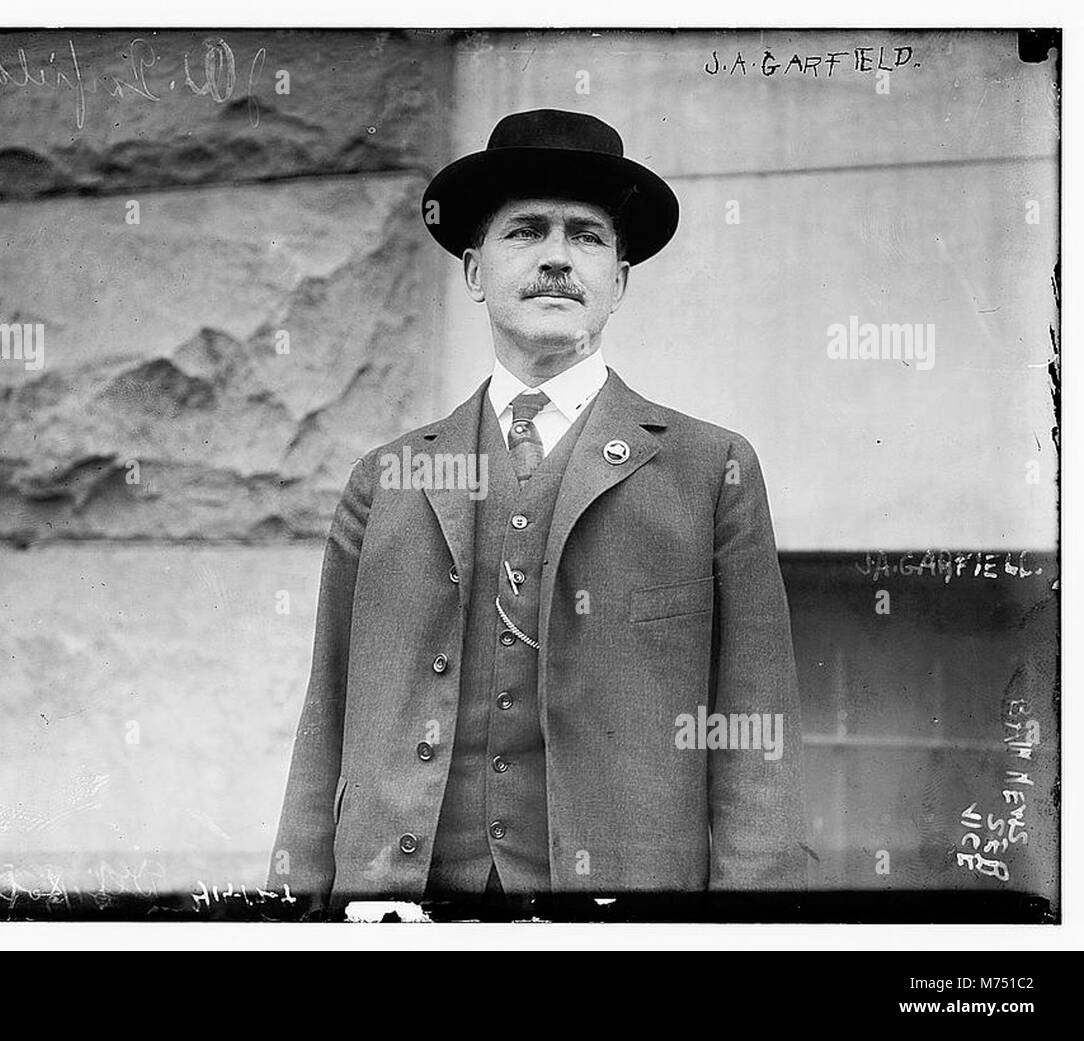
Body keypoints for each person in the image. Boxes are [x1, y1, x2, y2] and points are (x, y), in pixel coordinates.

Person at [269, 108, 806, 916]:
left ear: (618, 281)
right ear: (476, 271)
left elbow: (755, 740)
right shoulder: (388, 478)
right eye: (526, 232)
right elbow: (326, 722)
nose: (557, 257)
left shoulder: (711, 470)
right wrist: (288, 913)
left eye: (586, 237)